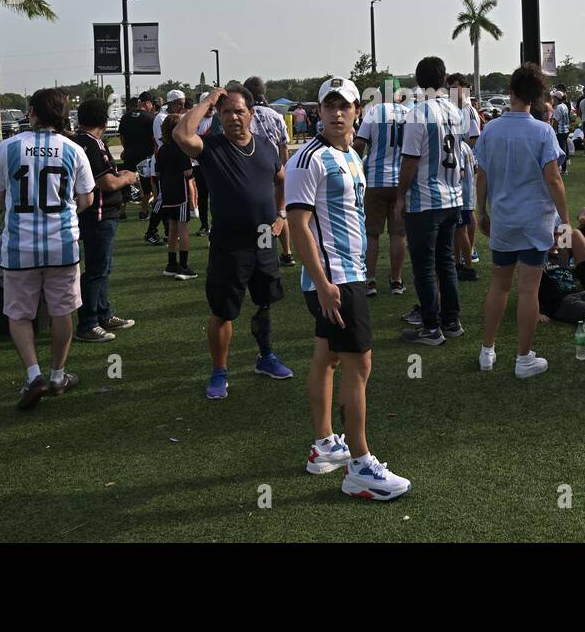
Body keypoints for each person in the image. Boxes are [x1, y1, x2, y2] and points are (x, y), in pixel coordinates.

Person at [286, 77, 411, 500]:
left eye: (346, 106)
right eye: (330, 106)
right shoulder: (309, 158)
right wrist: (322, 283)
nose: (338, 113)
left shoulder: (352, 154)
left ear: (358, 111)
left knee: (328, 357)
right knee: (359, 365)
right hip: (334, 279)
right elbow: (299, 226)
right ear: (318, 112)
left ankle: (324, 445)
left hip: (348, 274)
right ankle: (360, 465)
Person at [173, 84, 291, 398]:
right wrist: (209, 101)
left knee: (265, 302)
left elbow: (282, 180)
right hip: (229, 243)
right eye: (227, 112)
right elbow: (182, 135)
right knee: (224, 311)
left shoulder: (266, 146)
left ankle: (266, 357)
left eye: (239, 111)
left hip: (265, 240)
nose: (234, 117)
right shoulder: (211, 147)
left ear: (251, 114)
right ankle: (219, 372)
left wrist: (281, 214)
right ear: (219, 116)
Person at [0, 88, 96, 409]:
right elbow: (86, 199)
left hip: (20, 245)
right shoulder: (74, 149)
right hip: (61, 243)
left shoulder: (9, 147)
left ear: (32, 112)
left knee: (19, 313)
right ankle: (58, 374)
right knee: (62, 311)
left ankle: (34, 374)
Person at [474, 64, 568, 378]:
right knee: (528, 291)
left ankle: (487, 351)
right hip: (535, 222)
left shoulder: (491, 129)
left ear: (511, 92)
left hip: (503, 219)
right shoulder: (543, 131)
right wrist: (565, 221)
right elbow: (554, 181)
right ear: (537, 97)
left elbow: (481, 176)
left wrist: (480, 212)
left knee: (498, 287)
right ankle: (523, 358)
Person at [399, 56, 466, 346]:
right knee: (446, 262)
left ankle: (430, 327)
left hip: (425, 200)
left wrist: (399, 196)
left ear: (418, 79)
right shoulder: (455, 110)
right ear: (443, 79)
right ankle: (451, 321)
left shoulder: (418, 113)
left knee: (425, 267)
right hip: (452, 196)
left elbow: (410, 162)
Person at [71, 98, 138, 342]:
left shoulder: (84, 141)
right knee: (97, 269)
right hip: (98, 212)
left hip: (96, 212)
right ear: (103, 120)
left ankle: (103, 313)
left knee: (102, 267)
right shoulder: (90, 143)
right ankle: (87, 323)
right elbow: (106, 182)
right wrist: (128, 178)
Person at [354, 81, 408, 298]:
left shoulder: (374, 111)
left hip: (375, 179)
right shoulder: (409, 113)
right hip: (401, 181)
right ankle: (396, 280)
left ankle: (370, 281)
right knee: (398, 234)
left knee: (372, 234)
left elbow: (359, 144)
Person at [246, 76, 295, 267]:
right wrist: (284, 169)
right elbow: (284, 146)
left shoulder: (247, 114)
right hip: (276, 169)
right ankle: (287, 252)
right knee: (280, 212)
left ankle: (264, 251)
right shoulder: (275, 115)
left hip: (253, 169)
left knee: (261, 215)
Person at [154, 113, 198, 281]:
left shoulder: (163, 149)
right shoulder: (181, 148)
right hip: (180, 193)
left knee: (172, 228)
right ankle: (184, 267)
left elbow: (157, 172)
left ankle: (171, 264)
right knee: (182, 229)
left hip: (166, 193)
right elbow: (187, 172)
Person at [144, 90, 186, 245]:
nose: (182, 107)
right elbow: (166, 138)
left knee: (168, 198)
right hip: (164, 161)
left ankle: (168, 231)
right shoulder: (161, 118)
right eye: (179, 104)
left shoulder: (174, 117)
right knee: (162, 198)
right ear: (172, 103)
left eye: (183, 103)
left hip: (172, 161)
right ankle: (151, 231)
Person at [119, 93, 156, 214]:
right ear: (147, 103)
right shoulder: (150, 118)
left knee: (125, 183)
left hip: (129, 154)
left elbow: (122, 136)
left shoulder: (125, 117)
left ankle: (122, 212)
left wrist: (127, 148)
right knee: (146, 186)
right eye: (151, 104)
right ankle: (144, 211)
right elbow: (153, 138)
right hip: (145, 156)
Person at [454, 139, 478, 281]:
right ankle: (457, 262)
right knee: (457, 232)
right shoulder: (466, 146)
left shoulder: (457, 148)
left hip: (460, 196)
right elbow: (475, 168)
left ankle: (468, 267)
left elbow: (460, 173)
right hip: (467, 195)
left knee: (461, 232)